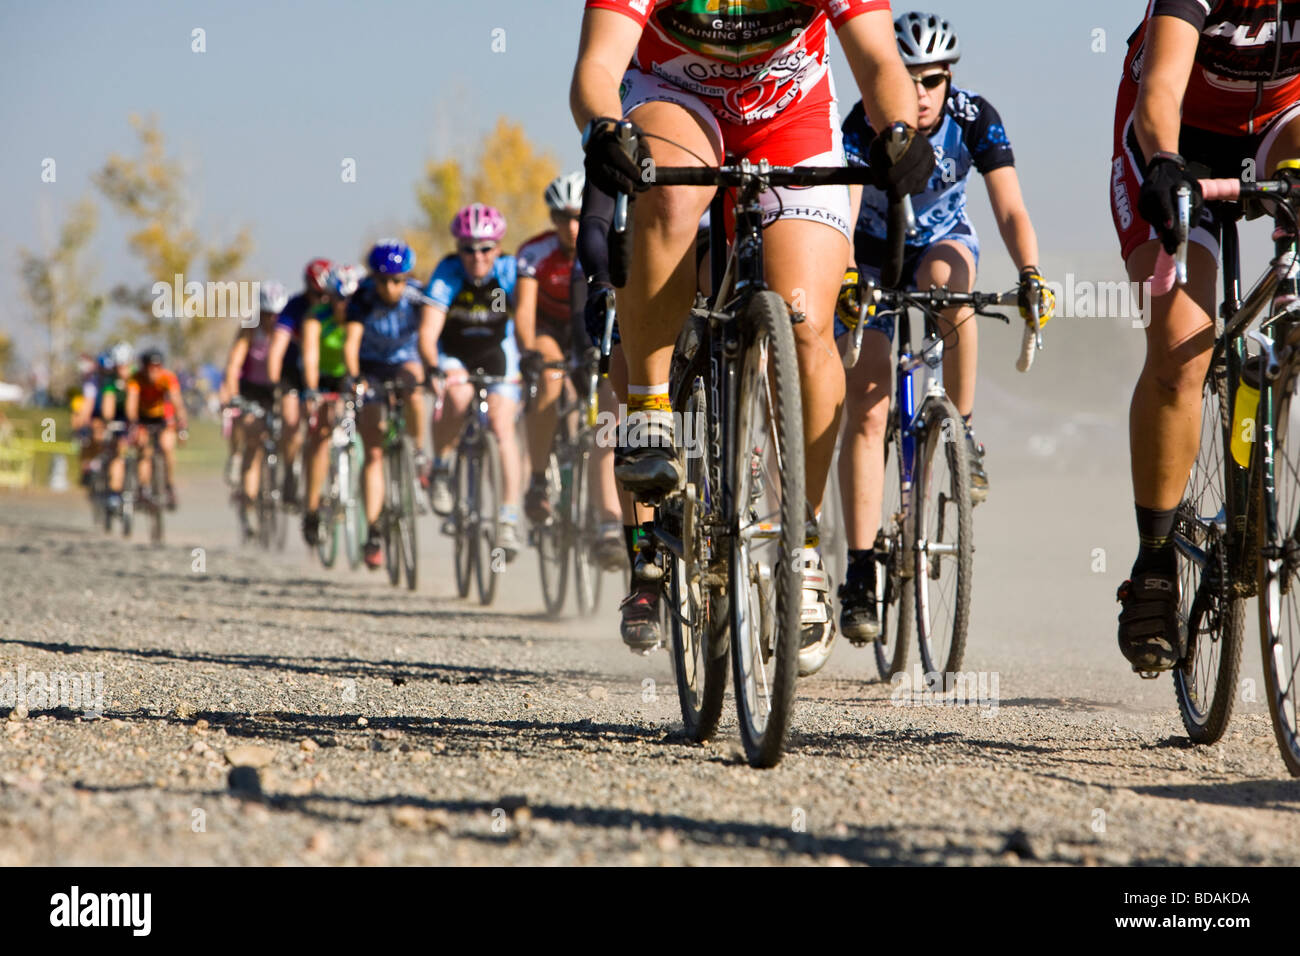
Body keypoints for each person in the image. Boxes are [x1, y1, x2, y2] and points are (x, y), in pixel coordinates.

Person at [570, 0, 935, 664]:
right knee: (671, 195)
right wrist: (603, 126)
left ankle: (801, 541)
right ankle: (653, 404)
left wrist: (899, 129)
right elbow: (596, 65)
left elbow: (881, 60)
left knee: (804, 324)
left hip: (789, 115)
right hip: (677, 101)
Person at [834, 10, 1054, 647]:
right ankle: (858, 570)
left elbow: (1009, 206)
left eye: (932, 80)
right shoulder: (860, 123)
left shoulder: (975, 116)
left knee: (952, 290)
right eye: (908, 78)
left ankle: (963, 433)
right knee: (869, 404)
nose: (920, 93)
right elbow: (843, 225)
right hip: (873, 252)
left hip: (939, 242)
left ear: (948, 77)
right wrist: (848, 280)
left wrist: (1031, 271)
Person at [1112, 0, 1300, 673]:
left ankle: (1283, 321)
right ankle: (1157, 563)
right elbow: (1160, 85)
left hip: (1282, 125)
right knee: (1180, 349)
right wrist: (1164, 160)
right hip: (1176, 136)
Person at [518, 171, 626, 568]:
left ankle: (603, 516)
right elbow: (525, 316)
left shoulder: (601, 248)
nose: (571, 226)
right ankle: (536, 479)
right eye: (562, 218)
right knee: (549, 379)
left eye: (579, 215)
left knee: (603, 416)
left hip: (589, 328)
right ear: (552, 219)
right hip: (551, 330)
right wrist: (529, 350)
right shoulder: (534, 253)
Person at [423, 203, 526, 560]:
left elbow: (526, 323)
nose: (476, 256)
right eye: (467, 248)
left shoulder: (510, 270)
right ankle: (441, 468)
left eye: (485, 248)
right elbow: (428, 331)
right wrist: (437, 367)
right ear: (458, 249)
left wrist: (529, 363)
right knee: (458, 396)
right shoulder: (447, 272)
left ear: (497, 248)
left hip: (498, 350)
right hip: (456, 353)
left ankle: (509, 517)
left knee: (501, 425)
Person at [343, 239, 437, 569]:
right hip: (370, 367)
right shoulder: (362, 298)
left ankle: (420, 453)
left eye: (398, 280)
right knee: (374, 451)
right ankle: (373, 532)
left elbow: (430, 334)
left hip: (404, 361)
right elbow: (351, 343)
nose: (391, 288)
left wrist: (433, 369)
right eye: (384, 280)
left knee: (413, 387)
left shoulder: (417, 295)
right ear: (374, 278)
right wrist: (355, 377)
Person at [297, 263, 363, 546]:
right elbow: (310, 357)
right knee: (321, 434)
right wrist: (312, 391)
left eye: (351, 300)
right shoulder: (316, 318)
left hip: (350, 377)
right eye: (339, 299)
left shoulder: (361, 318)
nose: (345, 305)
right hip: (323, 378)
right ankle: (311, 508)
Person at [219, 281, 290, 539]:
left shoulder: (288, 329)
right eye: (267, 313)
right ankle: (248, 501)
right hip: (251, 389)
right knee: (255, 439)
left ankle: (287, 479)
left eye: (276, 314)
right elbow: (234, 363)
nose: (272, 318)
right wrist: (233, 394)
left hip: (279, 389)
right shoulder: (250, 328)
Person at [266, 259, 332, 512]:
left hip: (322, 372)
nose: (322, 299)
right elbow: (277, 348)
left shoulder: (337, 308)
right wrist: (274, 382)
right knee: (292, 424)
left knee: (322, 429)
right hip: (293, 372)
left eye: (326, 294)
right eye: (317, 293)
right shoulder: (294, 307)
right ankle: (291, 470)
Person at [125, 347, 188, 510]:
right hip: (142, 417)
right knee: (144, 450)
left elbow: (177, 402)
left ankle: (169, 486)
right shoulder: (136, 379)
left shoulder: (168, 377)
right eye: (150, 368)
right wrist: (133, 424)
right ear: (143, 367)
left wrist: (182, 423)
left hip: (163, 417)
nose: (154, 372)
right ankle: (143, 489)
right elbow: (131, 405)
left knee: (167, 448)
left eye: (157, 367)